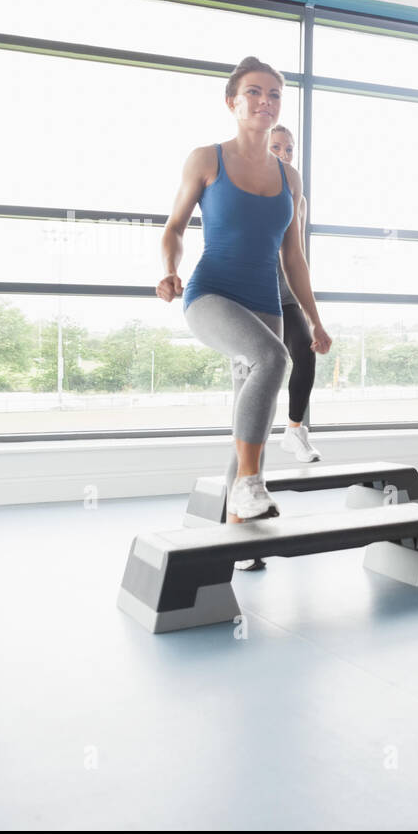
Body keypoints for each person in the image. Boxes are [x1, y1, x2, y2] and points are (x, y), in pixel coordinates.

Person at [157, 56, 331, 535]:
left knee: (249, 421)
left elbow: (293, 258)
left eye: (274, 94)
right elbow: (174, 228)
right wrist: (169, 270)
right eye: (253, 92)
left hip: (266, 304)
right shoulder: (206, 159)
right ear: (232, 102)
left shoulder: (290, 179)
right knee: (273, 359)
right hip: (211, 294)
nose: (264, 101)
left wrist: (314, 320)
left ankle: (240, 531)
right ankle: (251, 485)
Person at [267, 124, 322, 463]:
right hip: (253, 295)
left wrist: (314, 319)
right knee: (263, 364)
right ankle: (247, 447)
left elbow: (296, 255)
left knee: (305, 352)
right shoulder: (248, 189)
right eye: (276, 147)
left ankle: (294, 431)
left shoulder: (298, 200)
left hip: (285, 295)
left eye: (289, 149)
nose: (284, 154)